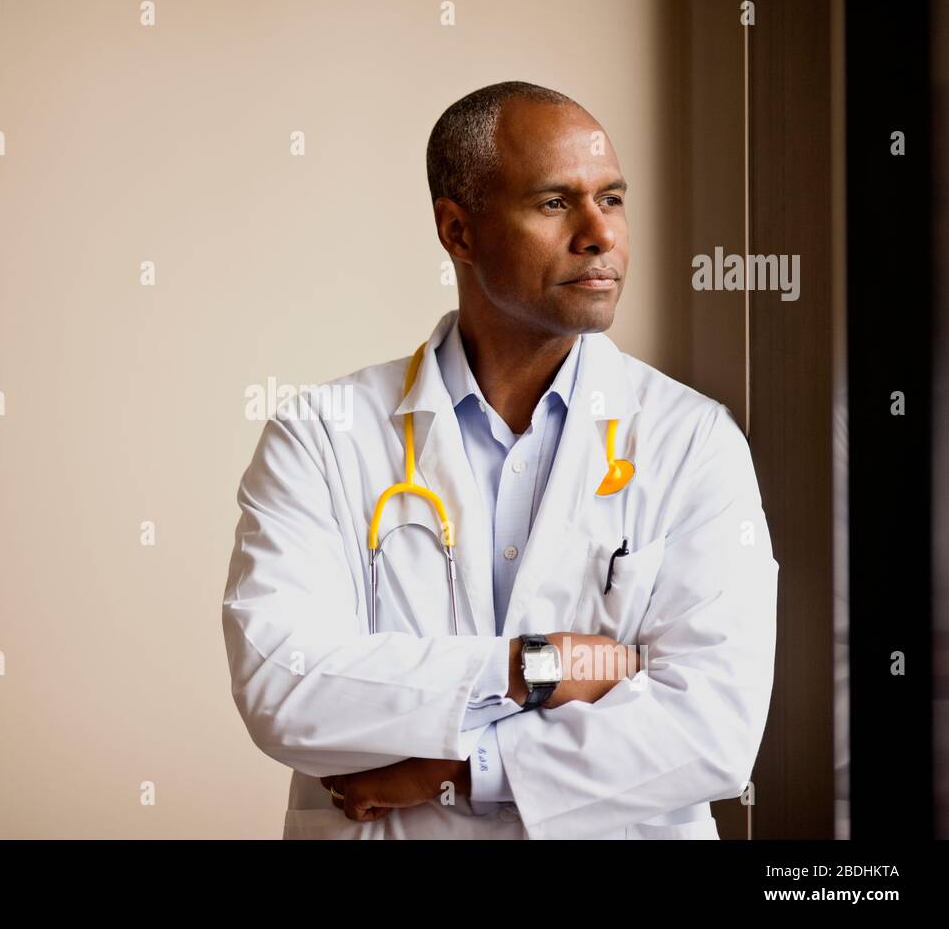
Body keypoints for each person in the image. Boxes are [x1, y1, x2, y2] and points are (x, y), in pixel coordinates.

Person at [221, 81, 778, 839]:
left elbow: (710, 731)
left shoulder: (693, 441)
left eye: (611, 199)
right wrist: (539, 667)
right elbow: (285, 688)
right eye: (555, 203)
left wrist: (462, 769)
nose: (599, 235)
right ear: (458, 231)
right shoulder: (322, 434)